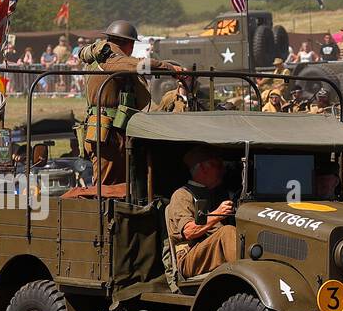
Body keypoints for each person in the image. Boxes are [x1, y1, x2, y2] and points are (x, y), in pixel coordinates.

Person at [77, 20, 175, 186]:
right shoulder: (111, 59)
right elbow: (141, 66)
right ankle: (104, 212)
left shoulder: (104, 58)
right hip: (107, 136)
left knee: (116, 182)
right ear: (128, 44)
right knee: (107, 186)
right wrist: (170, 68)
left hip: (111, 132)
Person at [165, 146, 238, 276]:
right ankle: (246, 276)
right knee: (227, 232)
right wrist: (217, 215)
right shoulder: (182, 195)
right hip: (189, 257)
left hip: (211, 251)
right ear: (203, 168)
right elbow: (188, 231)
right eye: (217, 165)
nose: (222, 169)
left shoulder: (218, 194)